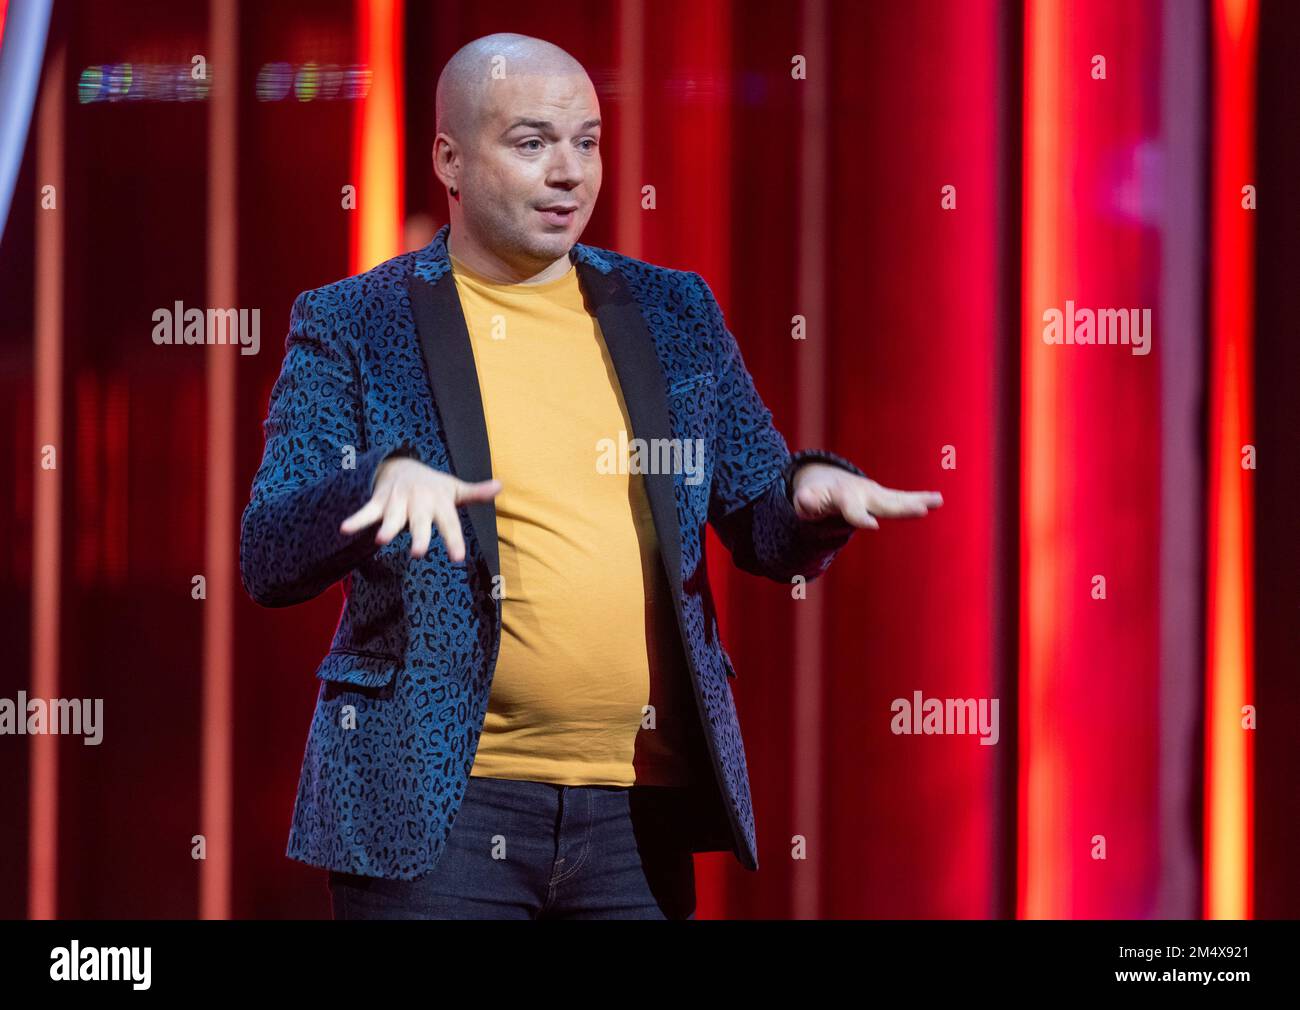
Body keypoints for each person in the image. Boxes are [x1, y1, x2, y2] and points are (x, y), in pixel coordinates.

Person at [239, 32, 942, 920]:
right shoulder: (357, 321)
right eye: (532, 144)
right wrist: (374, 489)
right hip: (438, 815)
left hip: (631, 822)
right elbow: (268, 551)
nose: (569, 171)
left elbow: (762, 516)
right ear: (450, 161)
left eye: (587, 141)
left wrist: (810, 496)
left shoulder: (671, 310)